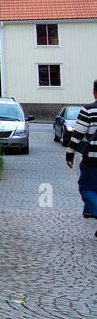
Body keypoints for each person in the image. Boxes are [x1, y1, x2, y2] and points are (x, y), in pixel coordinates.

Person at [66, 78, 97, 235]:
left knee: (86, 188)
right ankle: (89, 212)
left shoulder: (88, 110)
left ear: (94, 92)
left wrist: (70, 153)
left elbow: (77, 134)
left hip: (93, 158)